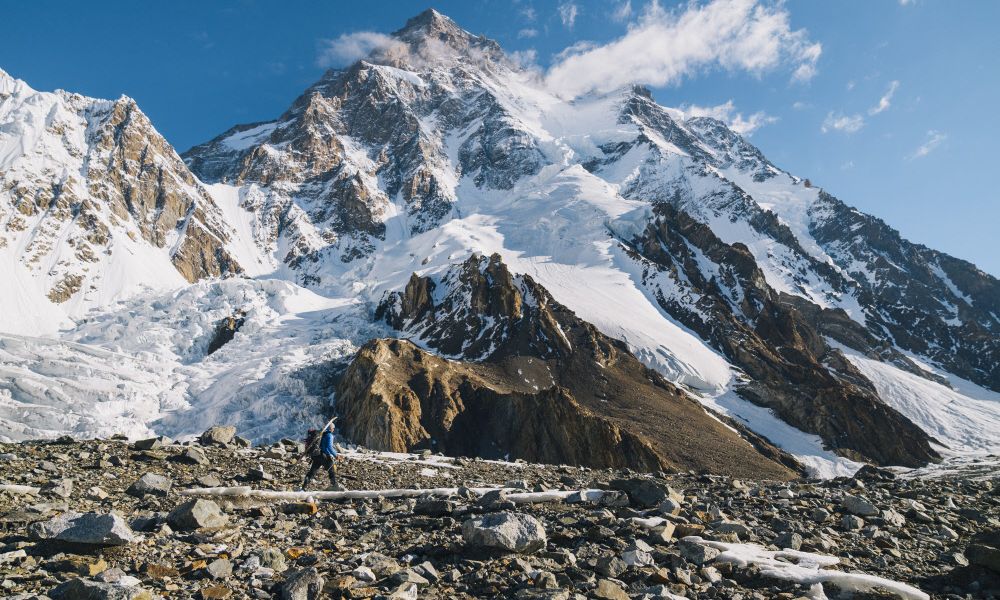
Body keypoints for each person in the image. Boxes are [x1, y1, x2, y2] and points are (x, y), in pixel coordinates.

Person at [302, 422, 343, 490]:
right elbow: (329, 447)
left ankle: (303, 487)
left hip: (317, 455)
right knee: (331, 470)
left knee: (312, 472)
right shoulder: (329, 435)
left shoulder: (321, 434)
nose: (333, 430)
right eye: (333, 428)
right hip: (324, 456)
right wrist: (336, 455)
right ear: (331, 428)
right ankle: (335, 485)